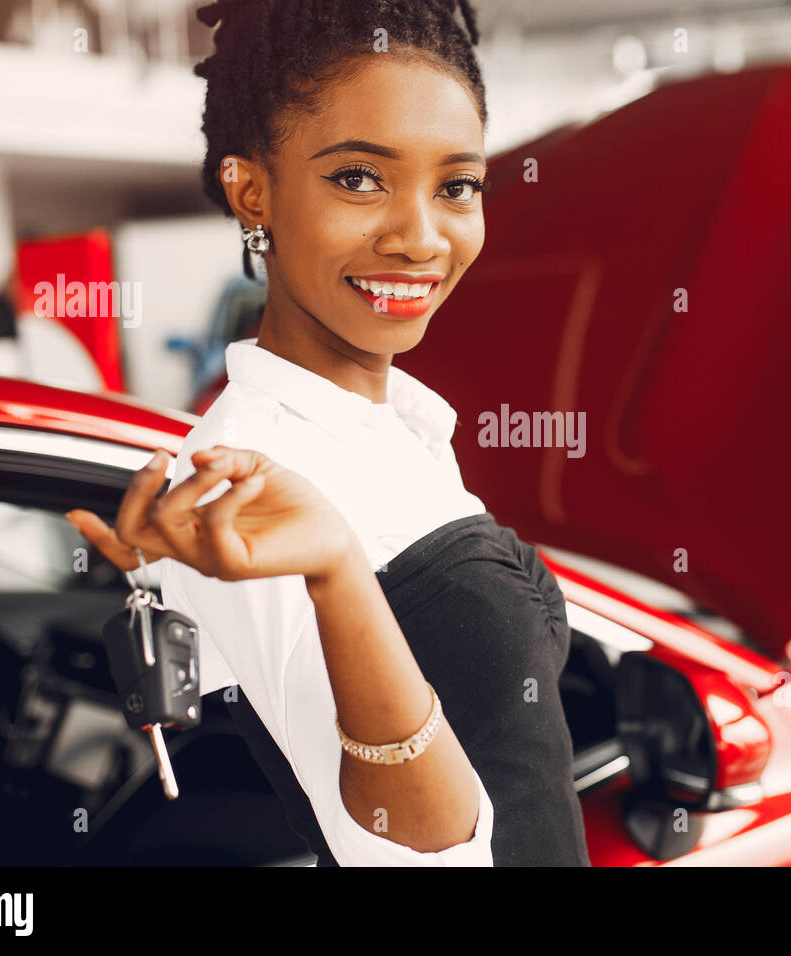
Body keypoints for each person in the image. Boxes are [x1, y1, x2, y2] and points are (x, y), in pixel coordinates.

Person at [67, 0, 590, 867]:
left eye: (456, 186)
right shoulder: (243, 487)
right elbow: (399, 854)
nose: (421, 238)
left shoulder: (407, 426)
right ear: (252, 190)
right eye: (359, 178)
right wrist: (339, 572)